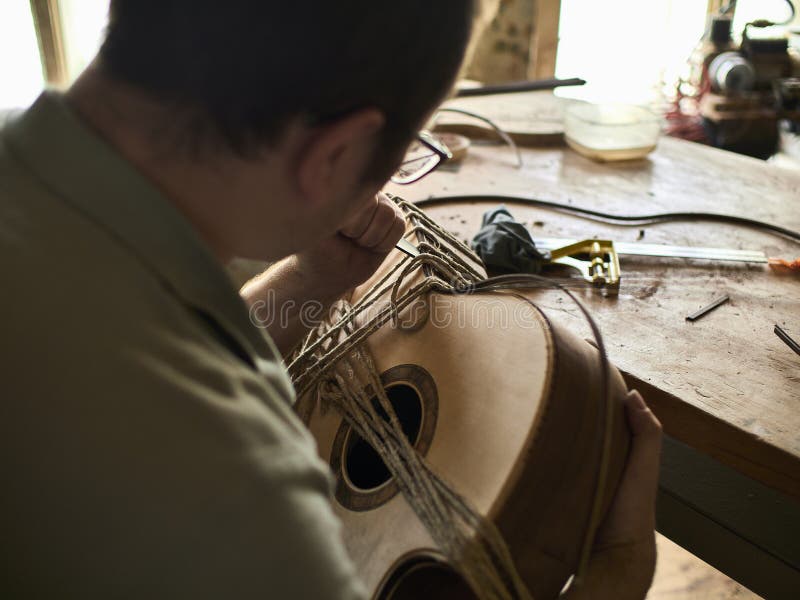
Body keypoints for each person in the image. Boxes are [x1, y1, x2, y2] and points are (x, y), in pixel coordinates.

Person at [0, 1, 662, 598]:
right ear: (335, 153)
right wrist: (617, 574)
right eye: (404, 157)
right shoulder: (236, 490)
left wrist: (308, 281)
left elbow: (161, 346)